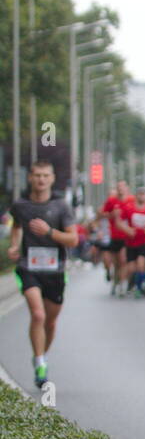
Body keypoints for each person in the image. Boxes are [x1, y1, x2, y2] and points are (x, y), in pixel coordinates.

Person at [8, 159, 76, 389]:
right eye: (37, 175)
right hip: (29, 267)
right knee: (37, 314)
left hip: (55, 270)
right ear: (30, 177)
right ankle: (40, 363)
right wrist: (14, 245)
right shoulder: (20, 205)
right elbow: (16, 226)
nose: (41, 180)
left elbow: (73, 238)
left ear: (53, 178)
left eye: (46, 176)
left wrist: (50, 232)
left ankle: (41, 355)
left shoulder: (61, 207)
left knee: (50, 321)